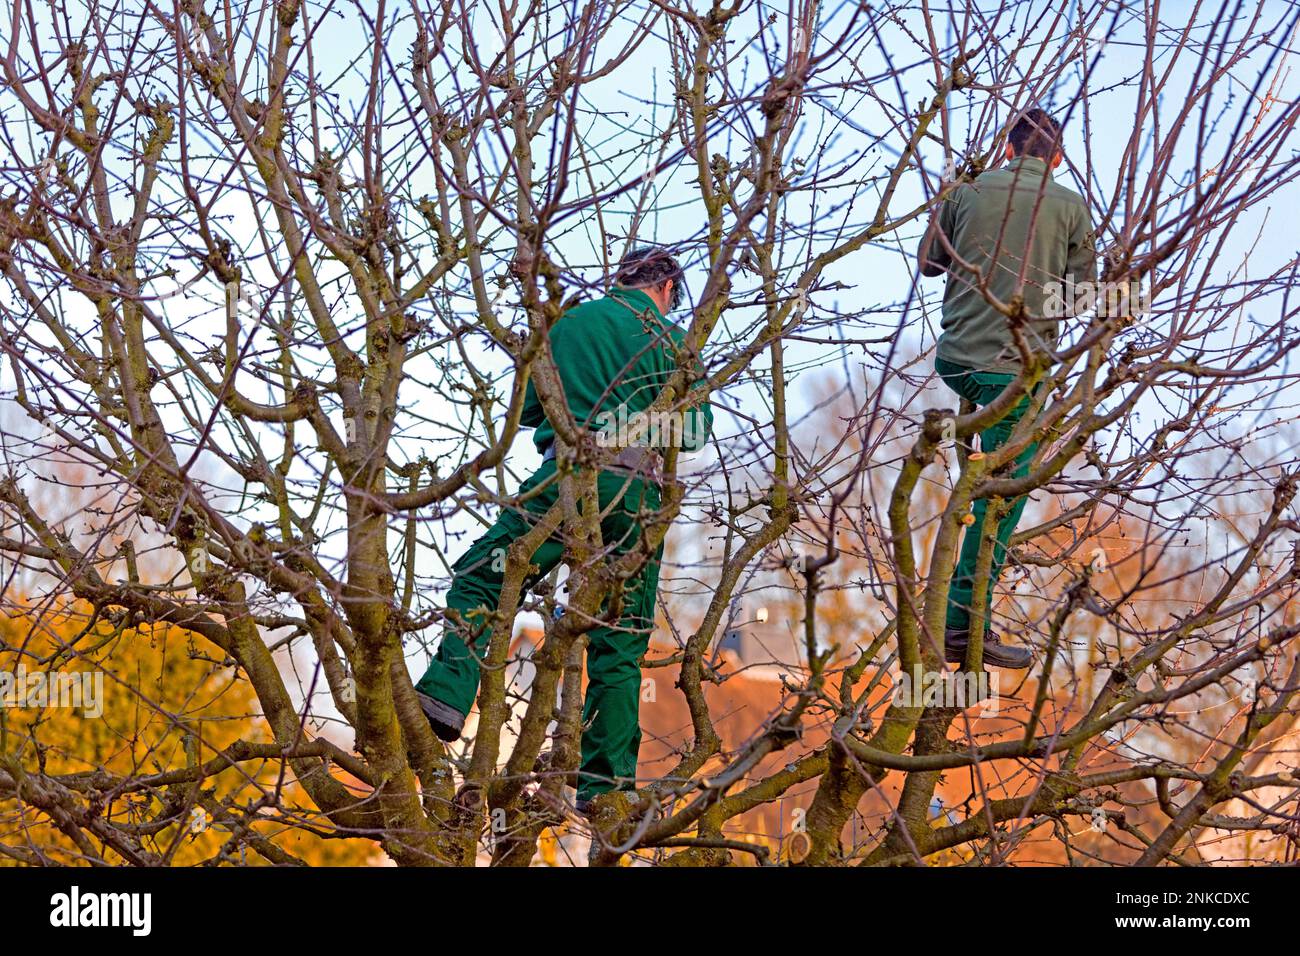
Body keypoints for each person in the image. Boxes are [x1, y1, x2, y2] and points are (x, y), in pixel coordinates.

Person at [412, 247, 713, 811]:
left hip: (566, 481)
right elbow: (693, 433)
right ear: (669, 287)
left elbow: (529, 408)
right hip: (637, 496)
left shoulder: (568, 322)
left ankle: (448, 695)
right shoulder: (674, 343)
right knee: (620, 641)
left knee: (485, 575)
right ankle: (606, 789)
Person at [918, 107, 1095, 669]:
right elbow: (1082, 301)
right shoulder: (1069, 205)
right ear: (1058, 158)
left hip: (956, 360)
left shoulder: (965, 189)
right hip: (1011, 375)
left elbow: (928, 263)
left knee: (978, 487)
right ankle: (963, 627)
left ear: (1008, 148)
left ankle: (950, 612)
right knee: (1002, 499)